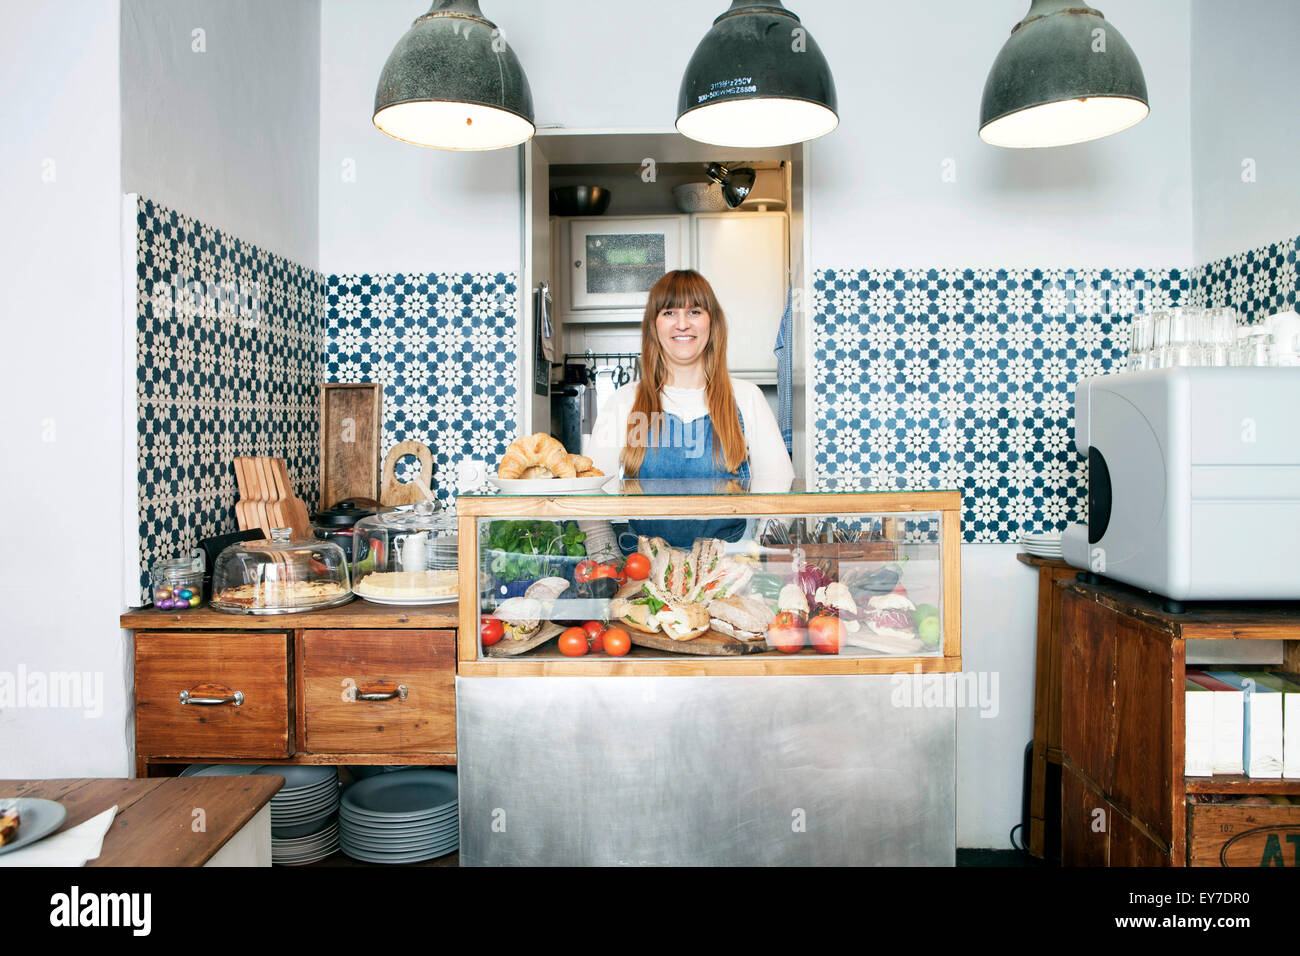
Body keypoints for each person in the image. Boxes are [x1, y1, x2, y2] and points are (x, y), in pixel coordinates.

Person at [588, 269, 795, 550]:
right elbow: (590, 492)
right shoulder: (624, 402)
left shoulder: (747, 398)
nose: (682, 324)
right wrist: (606, 559)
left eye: (695, 311)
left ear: (713, 323)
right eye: (669, 313)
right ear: (654, 325)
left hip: (727, 571)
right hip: (645, 573)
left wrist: (758, 556)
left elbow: (780, 488)